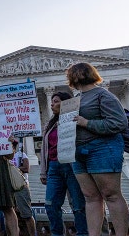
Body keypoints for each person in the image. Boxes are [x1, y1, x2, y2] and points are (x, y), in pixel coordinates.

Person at [66, 62, 129, 236]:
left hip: (102, 149)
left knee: (111, 195)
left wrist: (86, 123)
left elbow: (119, 123)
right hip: (78, 152)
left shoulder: (103, 95)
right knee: (90, 198)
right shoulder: (76, 99)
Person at [39, 91, 88, 236]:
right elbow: (44, 148)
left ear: (66, 103)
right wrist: (43, 170)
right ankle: (57, 233)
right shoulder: (50, 124)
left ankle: (83, 233)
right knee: (50, 205)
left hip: (73, 165)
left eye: (56, 101)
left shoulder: (76, 118)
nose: (52, 104)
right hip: (54, 167)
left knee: (78, 206)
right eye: (52, 101)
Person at [9, 140, 36, 236]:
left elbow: (26, 168)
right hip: (9, 188)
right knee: (9, 215)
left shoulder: (22, 155)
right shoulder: (4, 158)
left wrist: (13, 169)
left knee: (26, 214)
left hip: (21, 186)